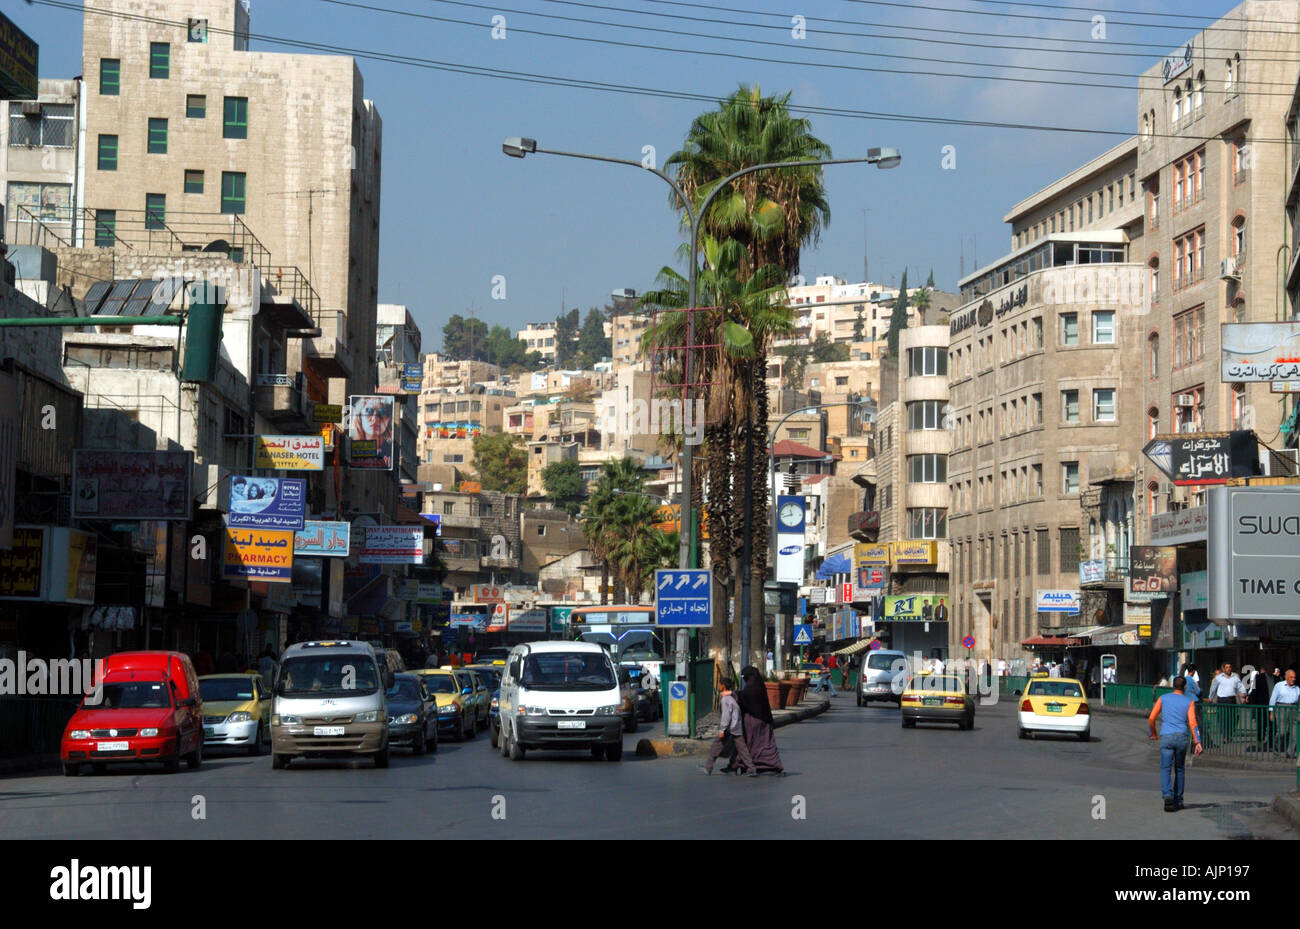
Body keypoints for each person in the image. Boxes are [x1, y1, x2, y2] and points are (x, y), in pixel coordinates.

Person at [1148, 676, 1203, 812]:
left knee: (1165, 768)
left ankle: (1167, 794)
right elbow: (1193, 723)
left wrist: (1154, 733)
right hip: (1181, 737)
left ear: (1173, 685)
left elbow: (1151, 718)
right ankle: (1178, 800)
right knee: (1179, 768)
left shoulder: (1163, 698)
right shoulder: (1189, 702)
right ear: (1185, 687)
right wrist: (1197, 741)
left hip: (1166, 736)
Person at [700, 676, 756, 777]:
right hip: (736, 727)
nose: (718, 686)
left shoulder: (726, 699)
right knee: (742, 749)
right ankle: (751, 769)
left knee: (716, 746)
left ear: (723, 686)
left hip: (730, 728)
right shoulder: (731, 698)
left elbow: (726, 717)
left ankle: (708, 768)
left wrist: (722, 730)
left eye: (720, 684)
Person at [737, 665, 785, 775]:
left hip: (753, 721)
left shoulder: (751, 689)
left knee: (751, 743)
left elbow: (746, 698)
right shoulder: (759, 686)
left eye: (745, 677)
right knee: (766, 744)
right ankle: (772, 765)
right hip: (765, 721)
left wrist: (734, 694)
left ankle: (749, 765)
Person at [1269, 669, 1300, 757]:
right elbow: (1273, 698)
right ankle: (1276, 748)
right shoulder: (1279, 685)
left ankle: (1290, 752)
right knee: (1282, 731)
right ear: (1286, 677)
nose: (1293, 679)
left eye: (1294, 677)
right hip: (1281, 708)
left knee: (1294, 732)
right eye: (1291, 677)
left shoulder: (1297, 688)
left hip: (1294, 709)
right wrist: (1271, 711)